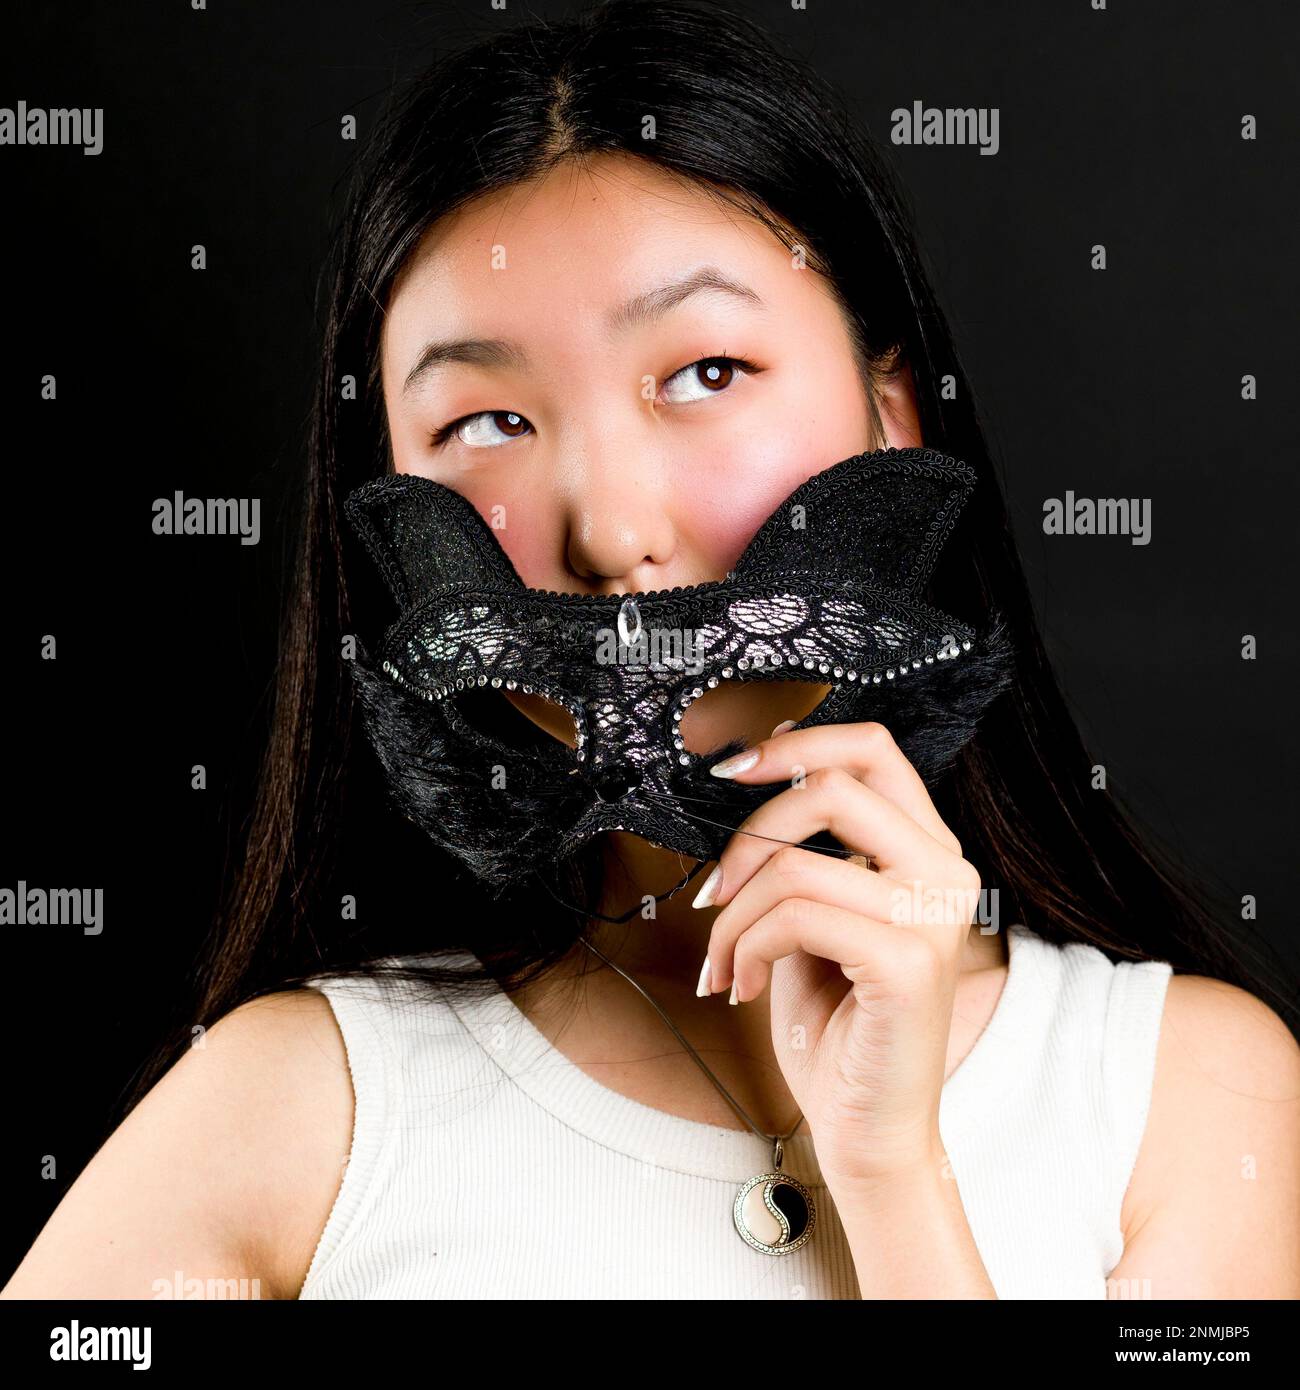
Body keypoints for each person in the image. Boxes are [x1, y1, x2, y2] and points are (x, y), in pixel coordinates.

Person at [4, 0, 1296, 1300]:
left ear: (890, 415)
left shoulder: (1188, 1098)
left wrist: (894, 1176)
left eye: (706, 373)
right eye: (490, 417)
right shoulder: (294, 1110)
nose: (614, 531)